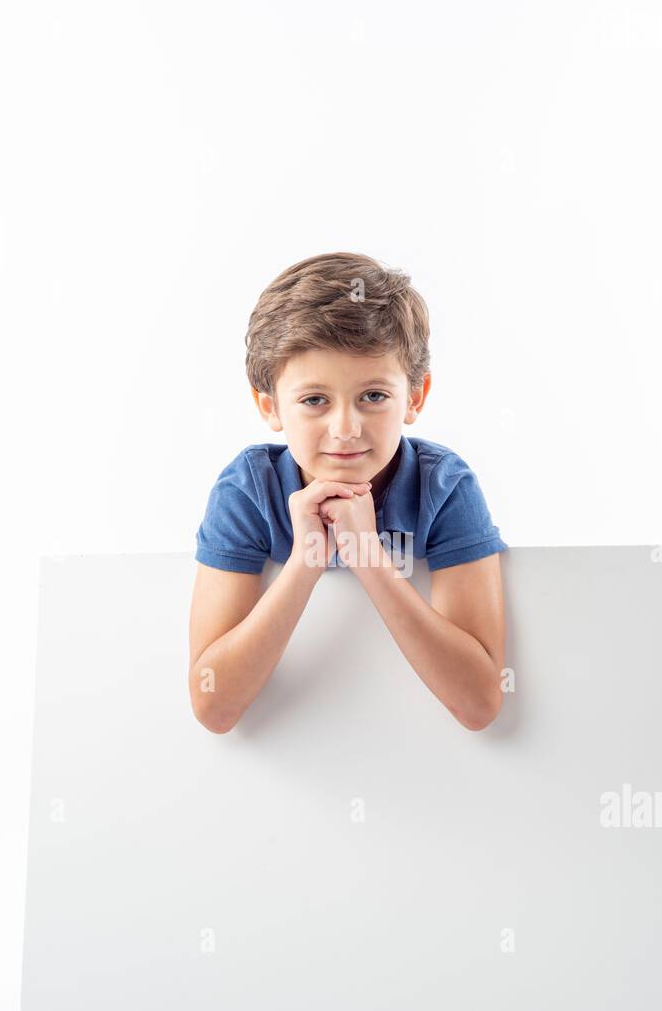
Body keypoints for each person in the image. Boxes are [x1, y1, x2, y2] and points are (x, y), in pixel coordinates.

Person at [189, 251, 507, 733]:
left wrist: (367, 555)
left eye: (373, 396)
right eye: (314, 400)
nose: (345, 429)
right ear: (270, 407)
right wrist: (305, 563)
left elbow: (480, 703)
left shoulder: (444, 486)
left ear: (414, 397)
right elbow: (214, 707)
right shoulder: (247, 490)